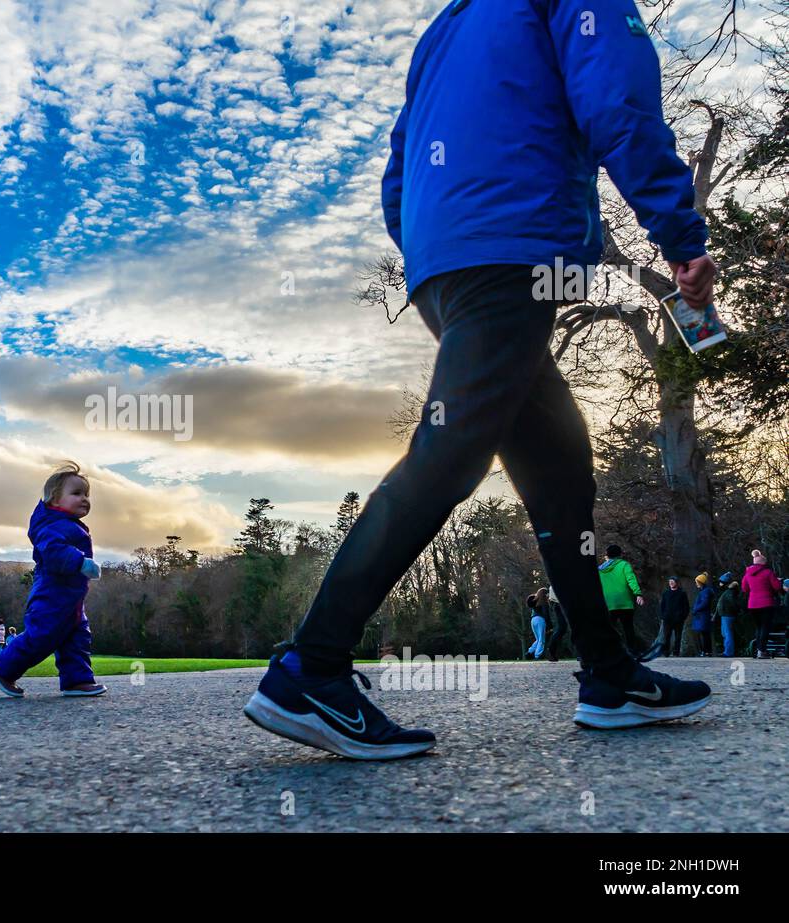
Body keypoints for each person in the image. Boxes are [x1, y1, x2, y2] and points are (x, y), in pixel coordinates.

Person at [242, 0, 714, 758]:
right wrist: (679, 233)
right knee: (450, 450)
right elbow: (617, 101)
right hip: (514, 245)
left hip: (446, 259)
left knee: (559, 462)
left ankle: (609, 672)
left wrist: (436, 242)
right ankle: (312, 663)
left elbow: (399, 171)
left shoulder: (445, 26)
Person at [0, 462, 106, 698]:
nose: (84, 499)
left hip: (71, 601)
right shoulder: (51, 526)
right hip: (52, 597)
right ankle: (2, 670)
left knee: (77, 638)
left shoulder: (69, 525)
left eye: (86, 494)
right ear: (54, 500)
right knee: (41, 636)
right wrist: (81, 562)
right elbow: (52, 551)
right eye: (76, 493)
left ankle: (77, 681)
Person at [599, 544, 645, 656]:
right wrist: (638, 593)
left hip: (609, 603)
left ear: (607, 555)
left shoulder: (600, 569)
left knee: (609, 629)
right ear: (620, 554)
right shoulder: (624, 565)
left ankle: (608, 651)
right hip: (625, 602)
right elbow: (631, 579)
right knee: (628, 628)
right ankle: (632, 651)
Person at [741, 550, 782, 659]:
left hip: (752, 604)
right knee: (765, 627)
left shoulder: (747, 573)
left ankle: (758, 649)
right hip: (766, 603)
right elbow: (777, 587)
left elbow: (744, 588)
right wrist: (778, 581)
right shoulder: (768, 572)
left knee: (758, 627)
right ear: (763, 563)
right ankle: (762, 650)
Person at [657, 576, 690, 657]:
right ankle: (666, 652)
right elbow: (662, 605)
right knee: (666, 636)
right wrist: (663, 616)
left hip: (679, 619)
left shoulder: (682, 593)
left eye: (673, 582)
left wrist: (683, 617)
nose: (671, 583)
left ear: (676, 583)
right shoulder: (666, 593)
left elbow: (686, 607)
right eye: (670, 582)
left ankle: (676, 652)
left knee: (678, 637)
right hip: (667, 619)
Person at [714, 572, 743, 657]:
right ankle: (727, 650)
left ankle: (728, 652)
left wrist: (734, 610)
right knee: (725, 633)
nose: (720, 584)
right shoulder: (728, 591)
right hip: (725, 614)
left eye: (721, 582)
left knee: (727, 633)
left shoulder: (730, 592)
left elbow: (734, 603)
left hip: (728, 614)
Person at [690, 574, 715, 657]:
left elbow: (704, 603)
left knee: (704, 634)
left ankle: (705, 651)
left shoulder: (705, 591)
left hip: (702, 616)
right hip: (702, 616)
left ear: (701, 582)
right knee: (704, 634)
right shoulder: (704, 591)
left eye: (697, 582)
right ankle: (706, 651)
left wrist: (696, 609)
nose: (696, 583)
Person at [545, 585, 568, 662]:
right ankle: (550, 650)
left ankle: (551, 650)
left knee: (562, 628)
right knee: (562, 628)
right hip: (558, 603)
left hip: (558, 602)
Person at [526, 589, 549, 659]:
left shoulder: (535, 601)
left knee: (538, 639)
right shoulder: (543, 602)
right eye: (547, 594)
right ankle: (537, 655)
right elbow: (546, 614)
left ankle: (529, 652)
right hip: (540, 620)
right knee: (542, 640)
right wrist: (549, 624)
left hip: (533, 620)